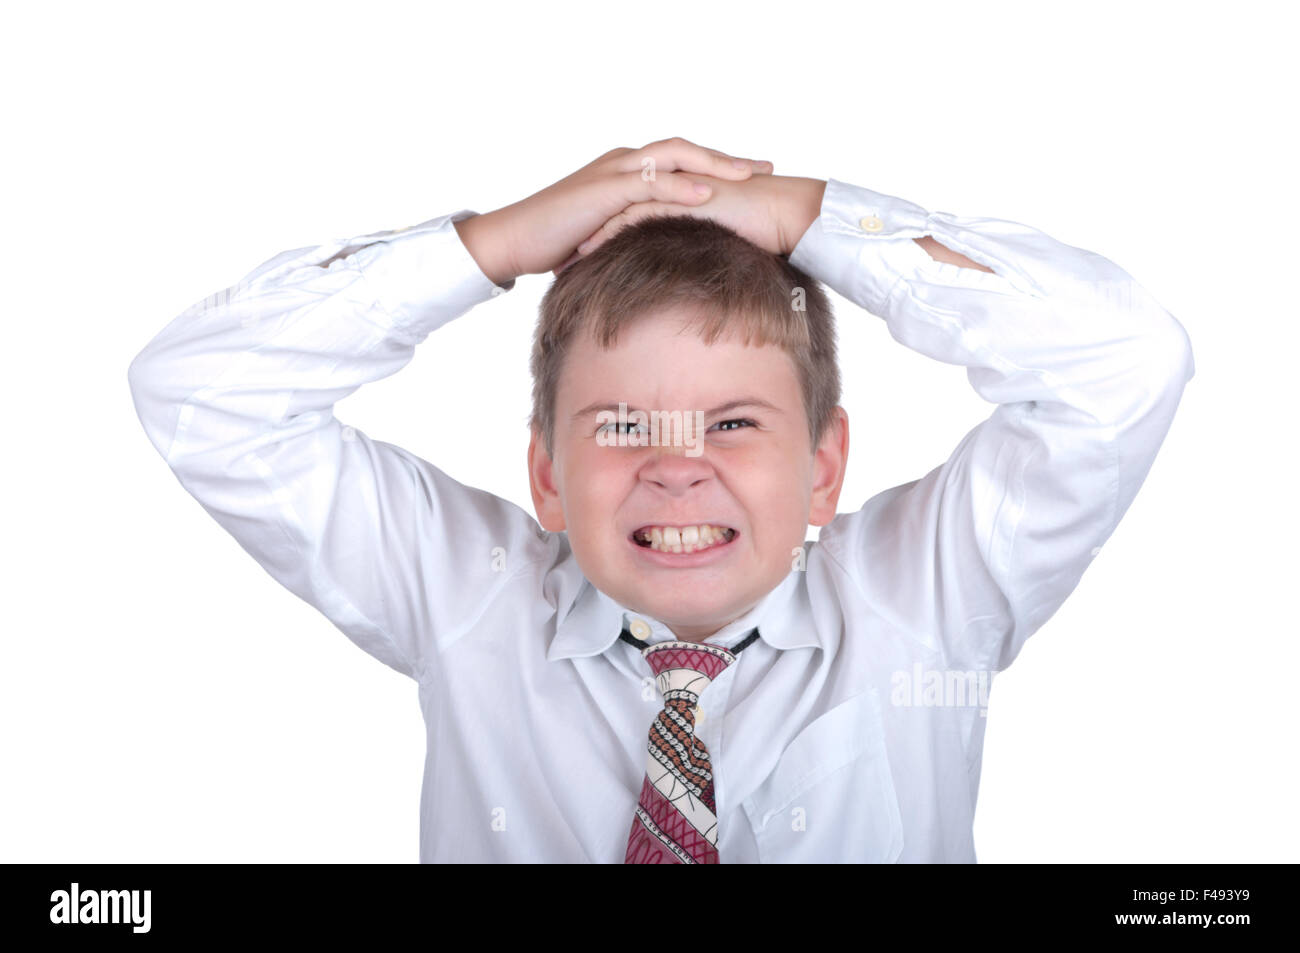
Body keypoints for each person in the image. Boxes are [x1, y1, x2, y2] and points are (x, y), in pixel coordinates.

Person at [127, 137, 1195, 862]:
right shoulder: (468, 594)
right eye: (622, 424)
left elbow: (1123, 362)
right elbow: (200, 392)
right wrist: (496, 243)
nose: (676, 465)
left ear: (824, 464)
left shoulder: (925, 591)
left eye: (733, 422)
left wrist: (807, 217)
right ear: (545, 472)